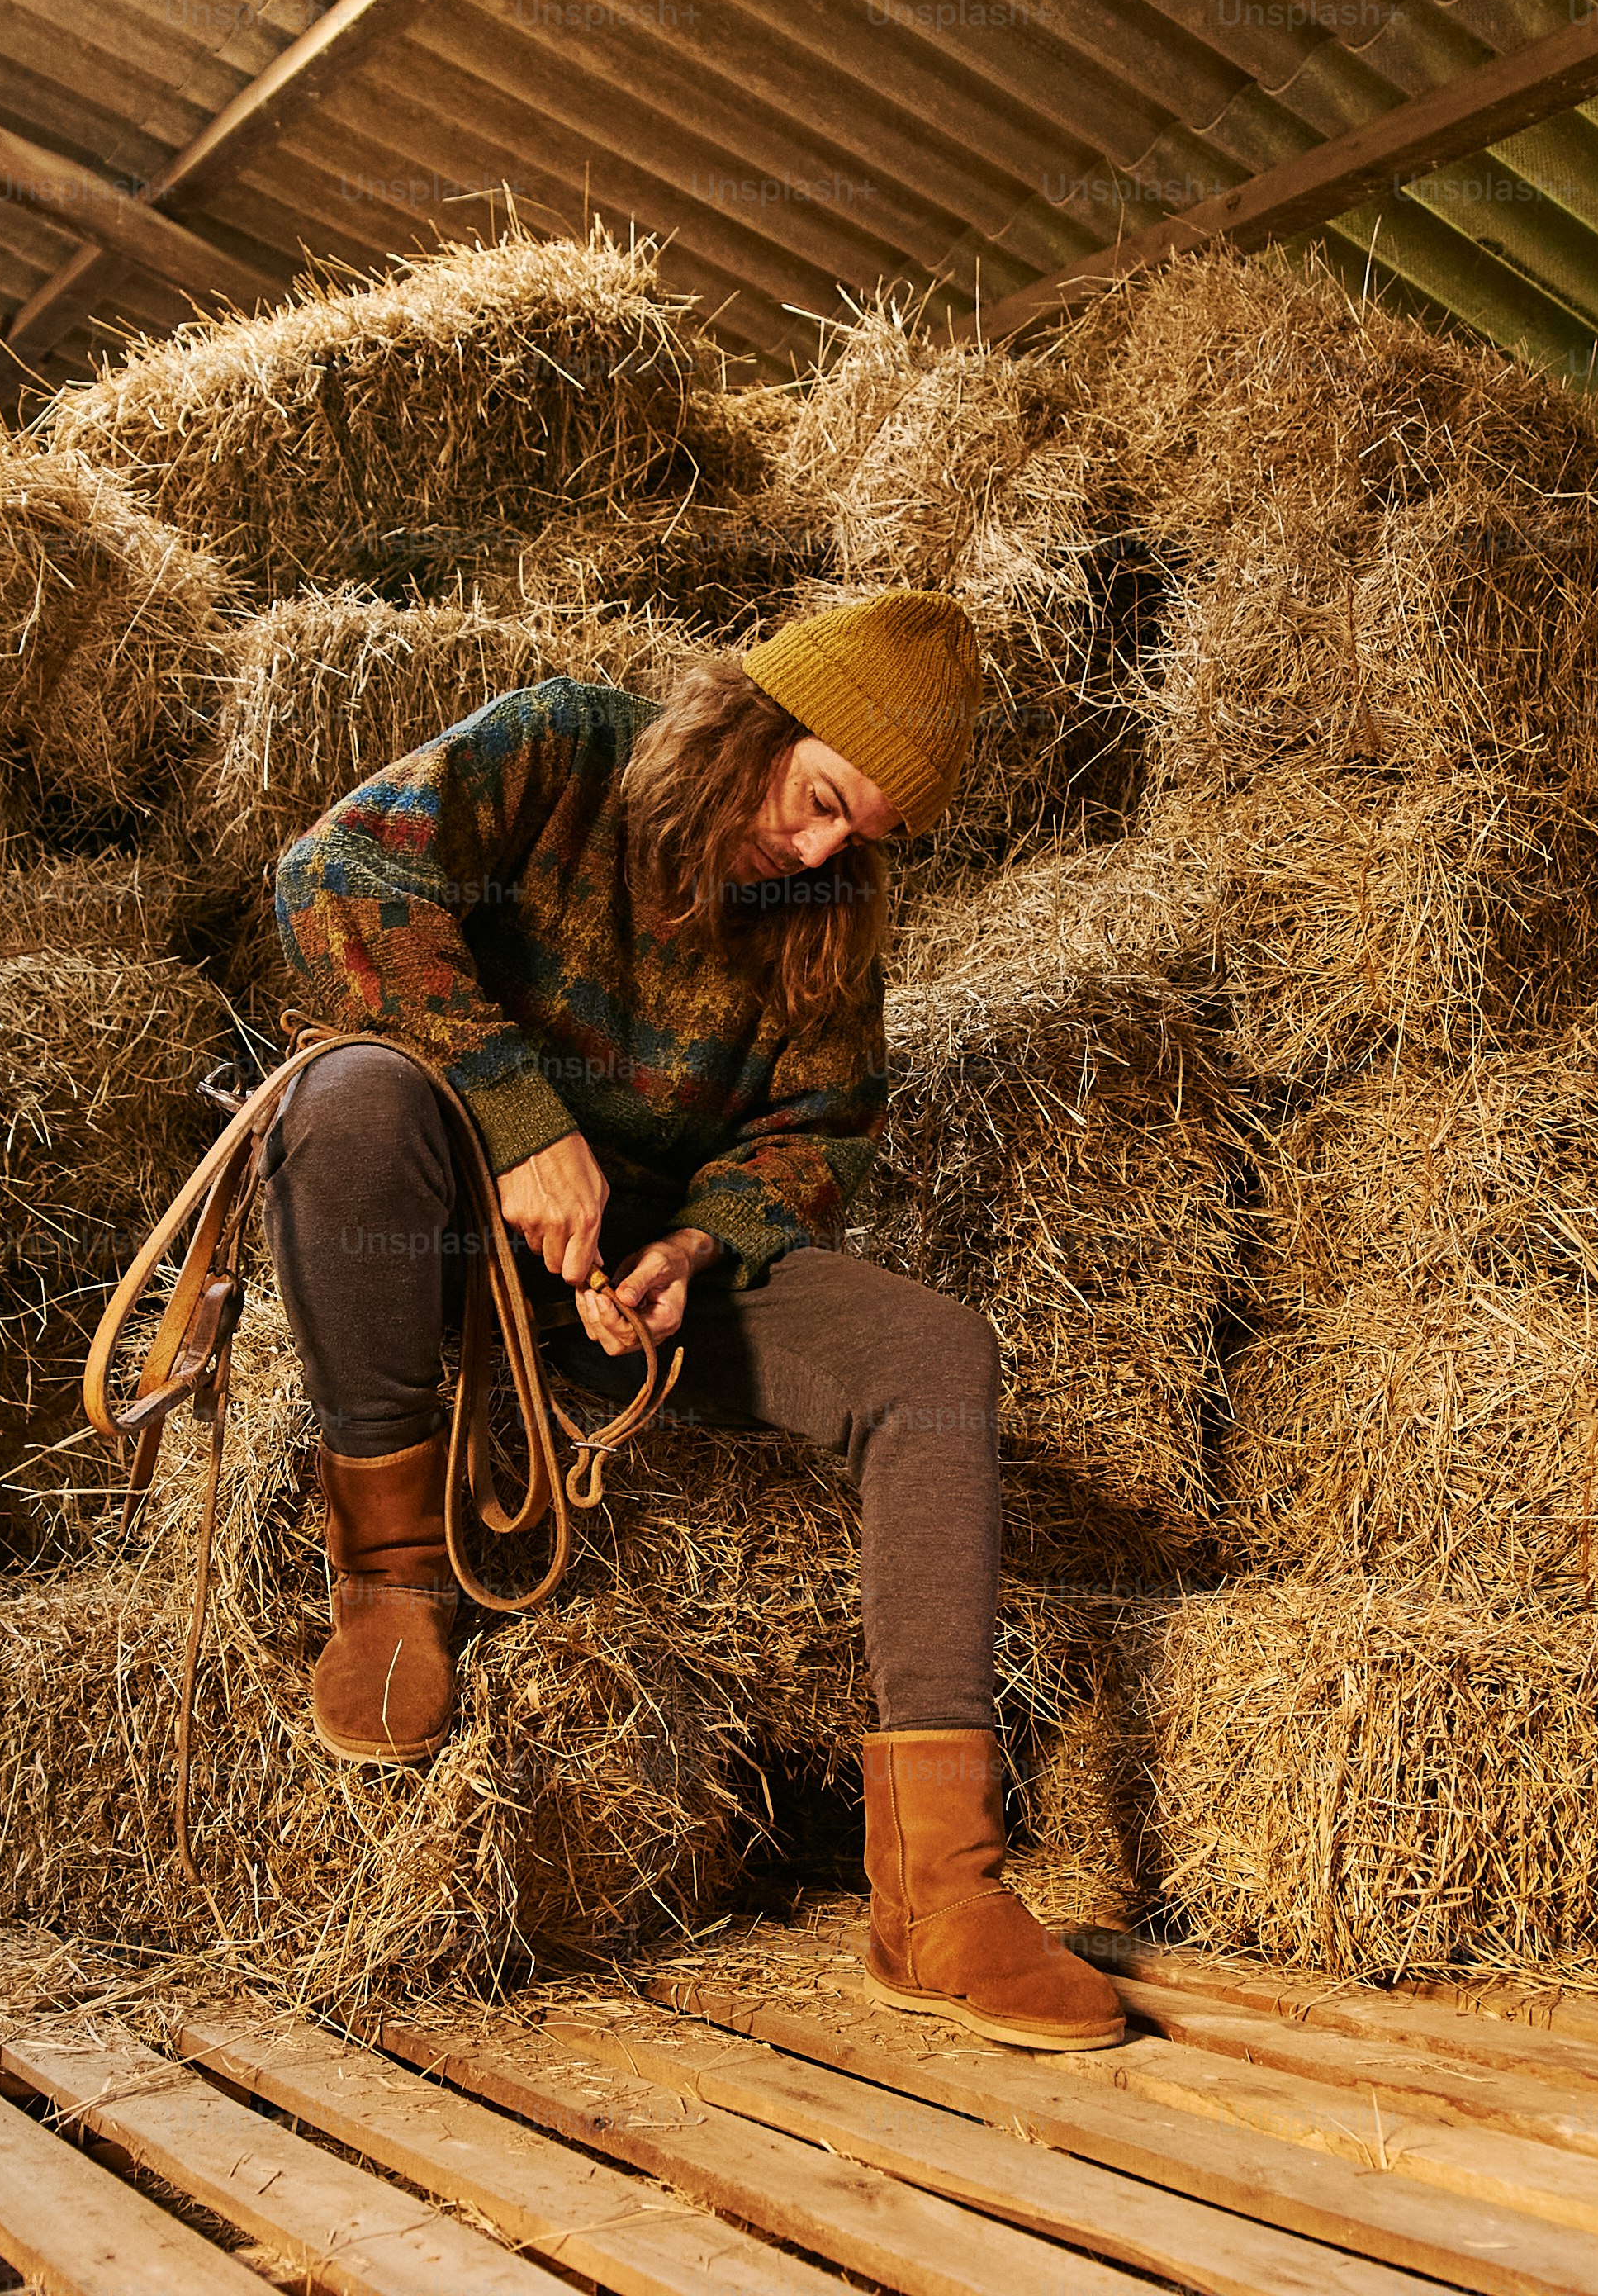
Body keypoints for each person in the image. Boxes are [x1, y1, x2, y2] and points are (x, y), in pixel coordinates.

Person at [262, 588, 1125, 2051]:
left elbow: (823, 1125)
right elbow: (333, 872)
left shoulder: (823, 917)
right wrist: (519, 1115)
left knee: (933, 1356)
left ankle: (940, 1892)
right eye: (822, 803)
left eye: (868, 840)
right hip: (445, 1217)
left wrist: (698, 1245)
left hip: (632, 1274)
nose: (826, 851)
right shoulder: (555, 748)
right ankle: (394, 1581)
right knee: (350, 1101)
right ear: (758, 726)